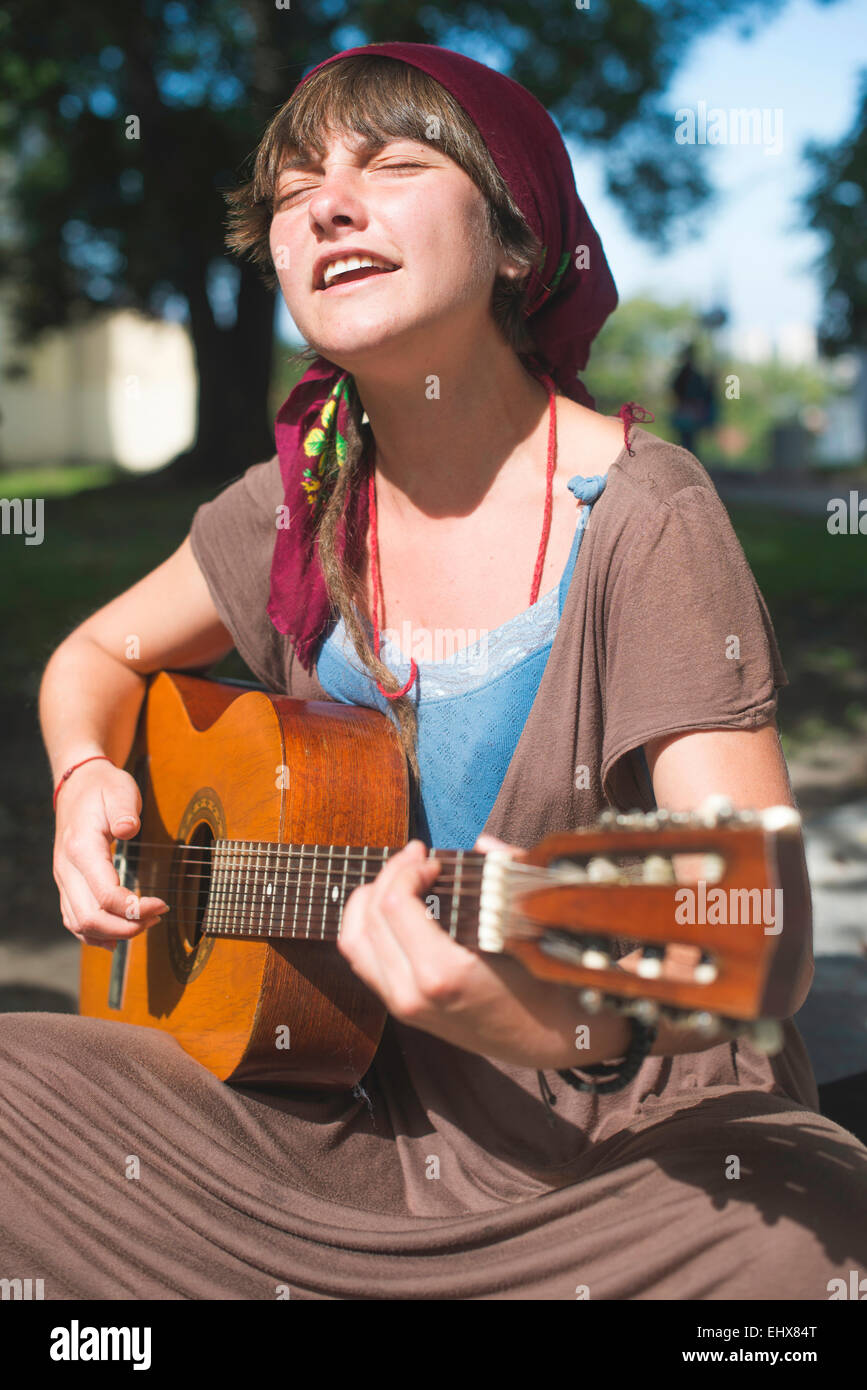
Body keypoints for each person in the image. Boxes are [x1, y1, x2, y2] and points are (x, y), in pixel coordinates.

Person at [2, 42, 866, 1301]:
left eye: (391, 165)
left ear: (519, 246)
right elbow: (95, 655)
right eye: (294, 196)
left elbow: (747, 928)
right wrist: (86, 772)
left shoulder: (643, 515)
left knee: (794, 1244)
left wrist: (513, 1014)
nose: (328, 206)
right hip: (336, 1125)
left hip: (613, 1152)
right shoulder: (296, 503)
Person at [670, 341, 717, 454]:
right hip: (686, 413)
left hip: (691, 414)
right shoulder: (685, 375)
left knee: (688, 445)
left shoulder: (692, 375)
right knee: (685, 444)